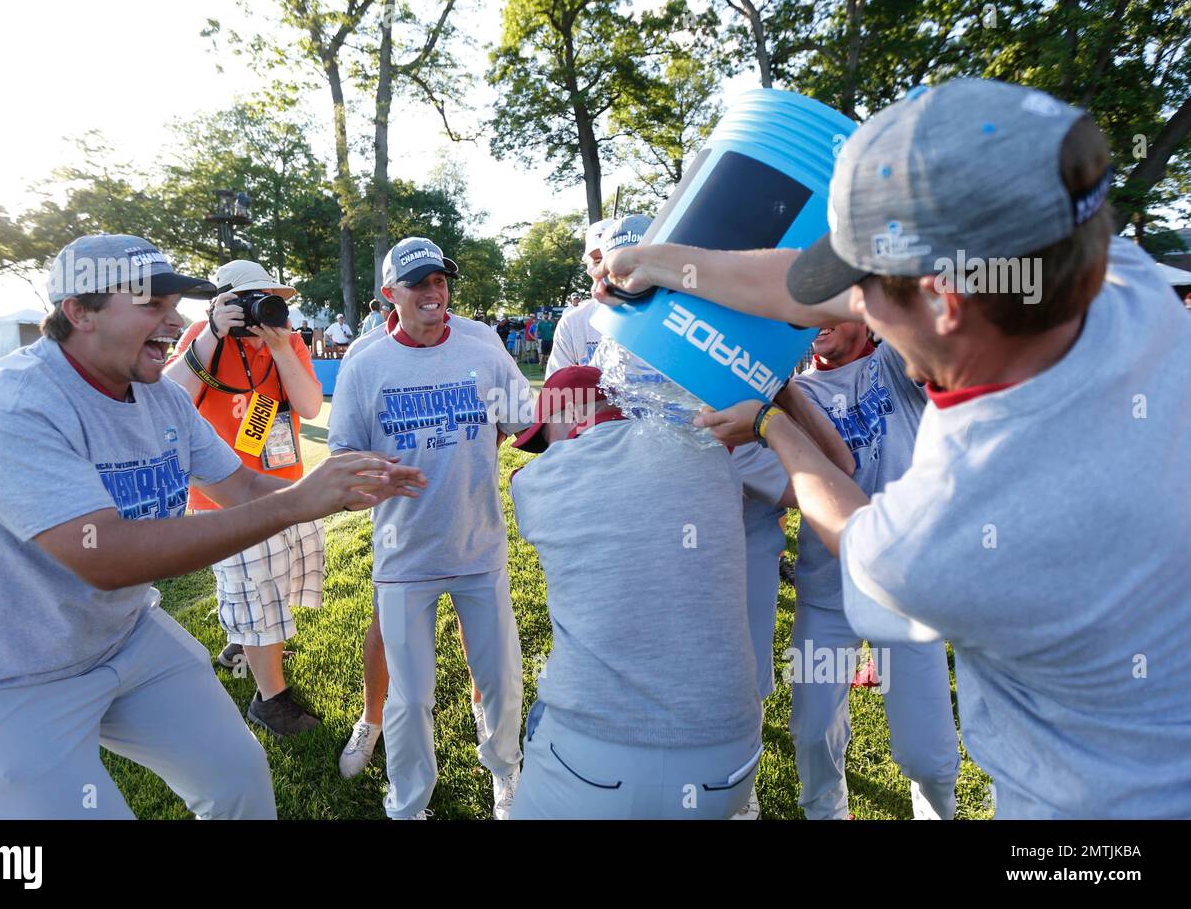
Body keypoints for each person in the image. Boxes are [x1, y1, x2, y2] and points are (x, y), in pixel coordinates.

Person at [596, 79, 1191, 818]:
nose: (843, 309)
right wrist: (663, 262)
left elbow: (853, 529)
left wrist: (771, 425)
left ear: (945, 302)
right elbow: (809, 289)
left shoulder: (954, 528)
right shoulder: (1106, 275)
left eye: (866, 288)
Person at [0, 233, 424, 819]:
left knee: (237, 777)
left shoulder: (160, 399)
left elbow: (241, 485)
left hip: (117, 637)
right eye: (153, 306)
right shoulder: (6, 407)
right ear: (79, 311)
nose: (175, 322)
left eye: (176, 307)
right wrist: (295, 504)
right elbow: (105, 555)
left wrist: (341, 494)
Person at [328, 236, 533, 820]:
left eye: (440, 280)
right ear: (390, 295)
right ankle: (408, 803)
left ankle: (504, 773)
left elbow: (520, 423)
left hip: (480, 547)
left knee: (499, 681)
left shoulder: (484, 344)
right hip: (404, 556)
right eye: (418, 284)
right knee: (411, 696)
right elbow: (342, 457)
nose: (432, 292)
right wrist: (377, 475)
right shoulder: (366, 363)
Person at [508, 366, 763, 819]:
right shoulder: (710, 454)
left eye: (545, 438)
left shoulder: (533, 484)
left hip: (593, 760)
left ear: (568, 415)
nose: (546, 451)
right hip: (729, 761)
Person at [779, 319, 961, 819]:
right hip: (826, 588)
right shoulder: (786, 391)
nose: (817, 318)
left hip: (903, 591)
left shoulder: (896, 365)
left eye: (829, 303)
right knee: (812, 731)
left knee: (929, 756)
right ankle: (826, 813)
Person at [163, 259, 326, 736]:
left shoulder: (287, 339)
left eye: (266, 301)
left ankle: (243, 645)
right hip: (225, 498)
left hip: (282, 487)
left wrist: (279, 349)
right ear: (222, 304)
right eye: (247, 303)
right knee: (257, 591)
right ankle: (270, 699)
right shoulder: (201, 336)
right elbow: (165, 399)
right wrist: (213, 333)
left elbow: (311, 406)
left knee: (272, 584)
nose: (260, 313)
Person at [547, 217, 618, 375]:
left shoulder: (669, 317)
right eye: (598, 261)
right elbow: (556, 393)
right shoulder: (572, 323)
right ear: (588, 268)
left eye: (614, 258)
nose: (606, 269)